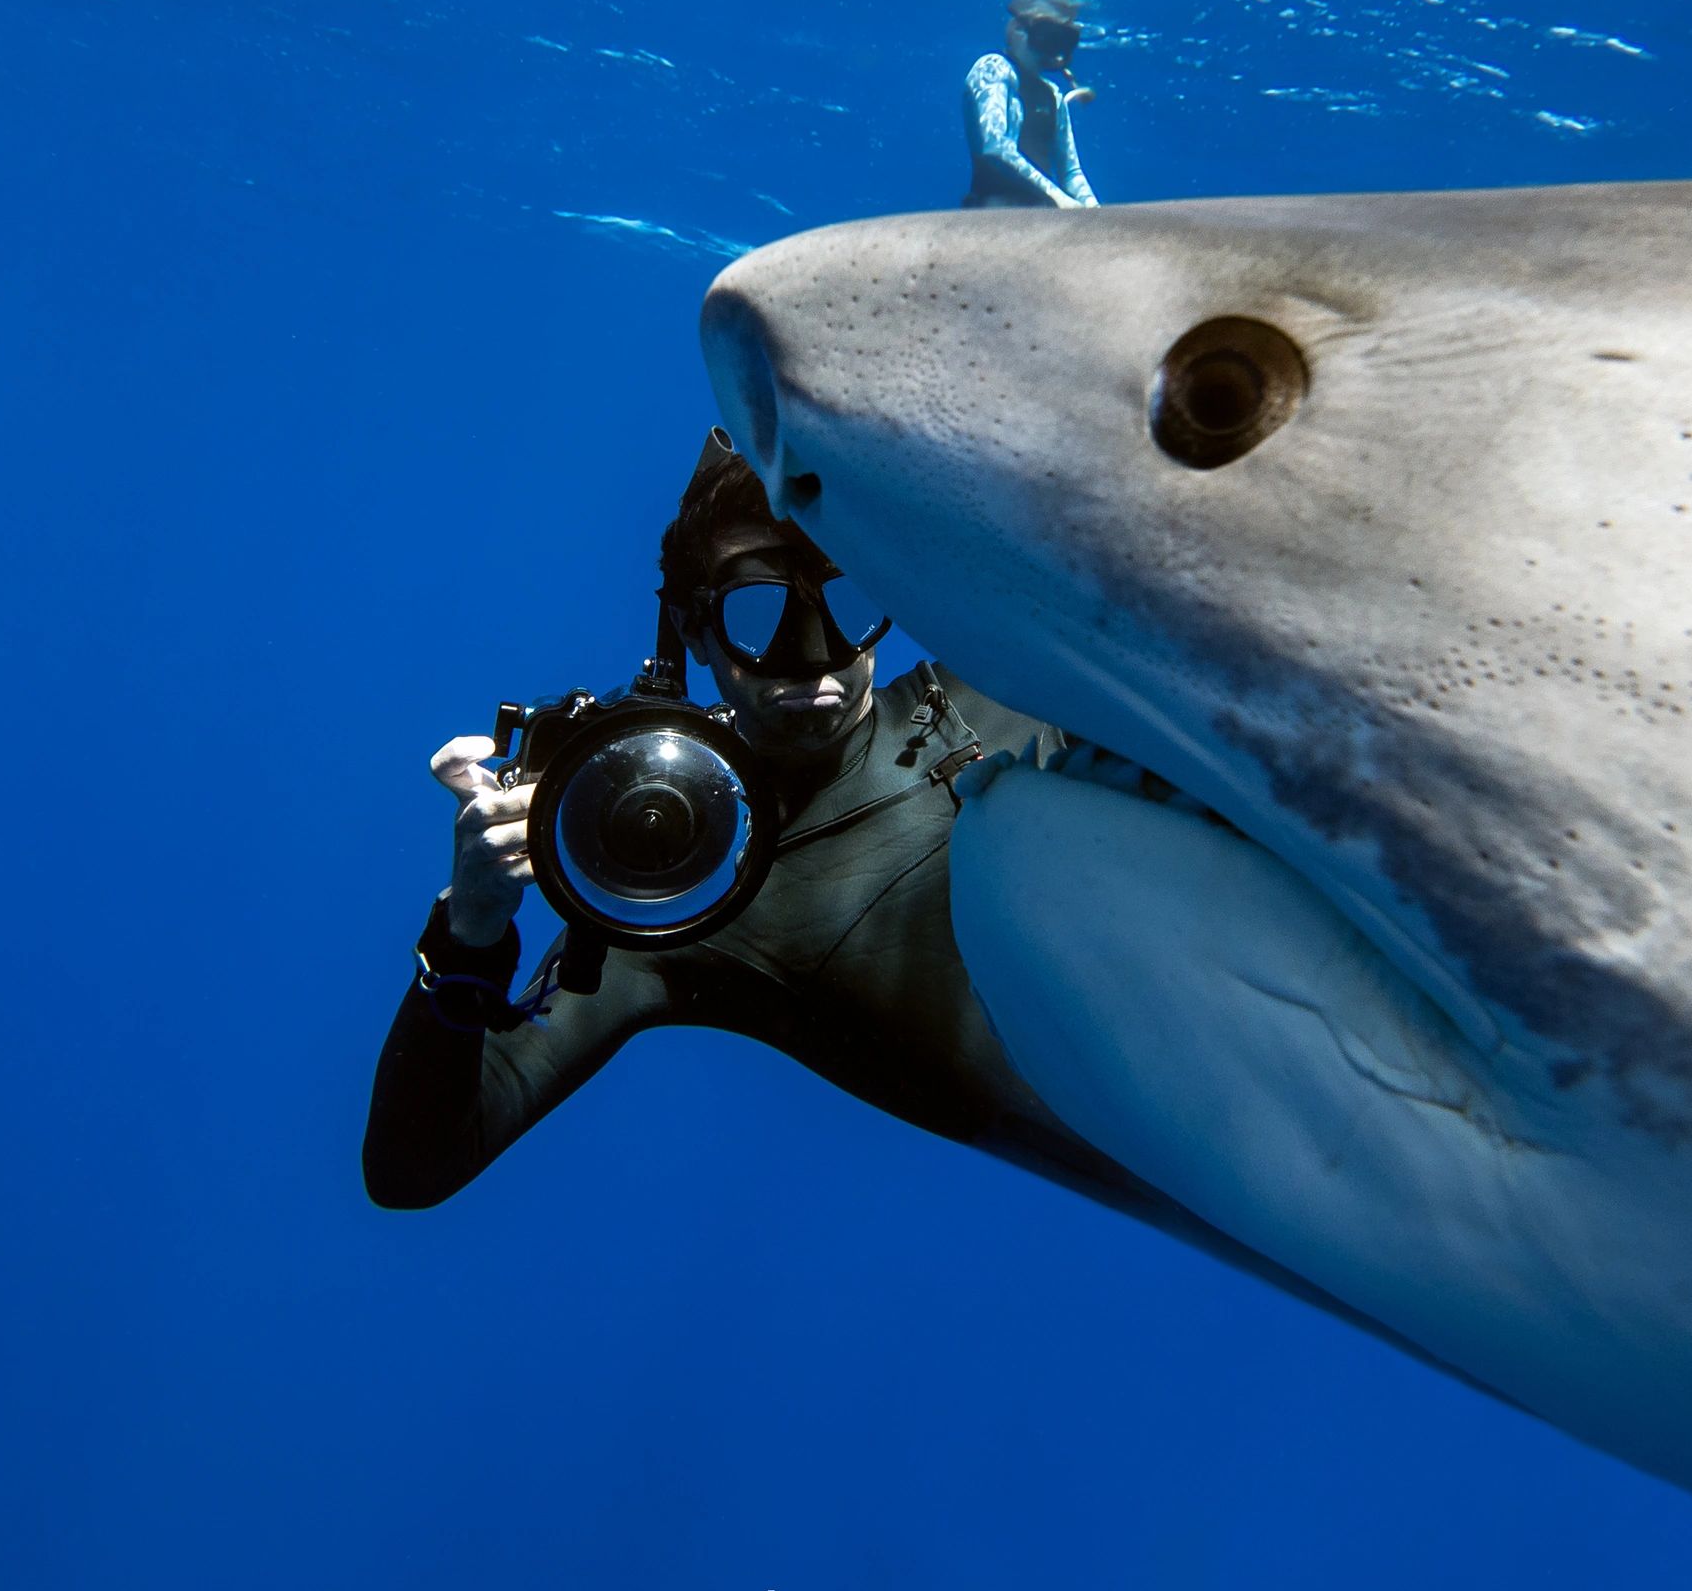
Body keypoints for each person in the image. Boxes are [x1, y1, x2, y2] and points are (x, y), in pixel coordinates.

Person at [361, 429, 1166, 1221]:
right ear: (693, 628)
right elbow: (418, 1163)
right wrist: (471, 928)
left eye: (848, 601)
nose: (814, 653)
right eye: (760, 611)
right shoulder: (688, 903)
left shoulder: (1023, 698)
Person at [961, 1, 1099, 210]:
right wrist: (1058, 198)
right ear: (1017, 28)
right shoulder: (993, 68)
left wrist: (1095, 211)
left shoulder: (1053, 94)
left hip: (1044, 218)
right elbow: (995, 146)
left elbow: (1071, 172)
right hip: (995, 215)